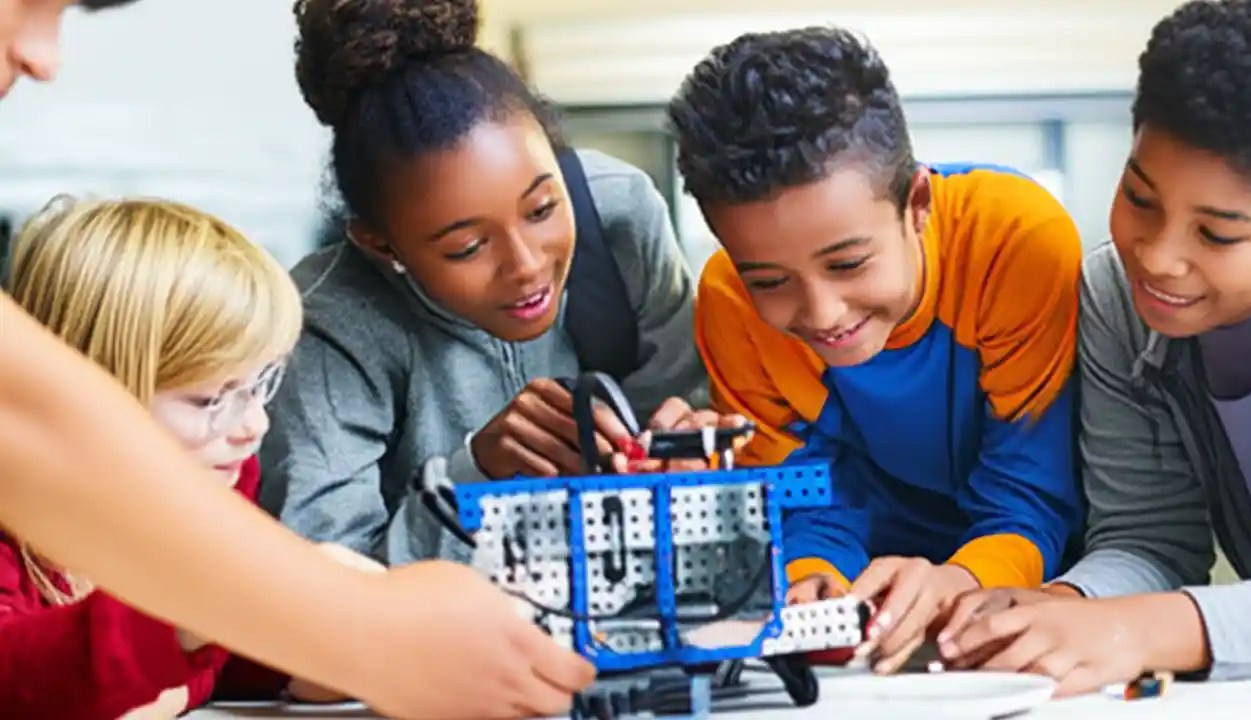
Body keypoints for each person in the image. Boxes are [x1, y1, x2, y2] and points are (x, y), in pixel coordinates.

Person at [0, 3, 595, 717]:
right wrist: (240, 605)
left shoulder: (225, 482)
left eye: (261, 387)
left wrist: (326, 632)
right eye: (207, 400)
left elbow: (244, 663)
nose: (45, 56)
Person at [667, 26, 1084, 674]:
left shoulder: (1016, 240)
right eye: (769, 281)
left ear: (916, 203)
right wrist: (811, 584)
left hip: (1030, 590)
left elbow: (1033, 495)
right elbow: (802, 495)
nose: (822, 314)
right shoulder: (728, 300)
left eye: (849, 262)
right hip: (866, 624)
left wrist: (963, 581)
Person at [260, 0, 722, 564]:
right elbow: (323, 581)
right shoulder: (328, 323)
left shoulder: (617, 217)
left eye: (543, 207)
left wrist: (686, 450)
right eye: (467, 247)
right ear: (380, 245)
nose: (527, 265)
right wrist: (472, 477)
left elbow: (681, 410)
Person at [936, 0, 1251, 695]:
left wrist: (1146, 629)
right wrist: (1068, 609)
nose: (1157, 258)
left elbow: (1157, 621)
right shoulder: (1117, 298)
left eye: (1217, 235)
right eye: (1140, 197)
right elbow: (1149, 536)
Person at [1, 196, 369, 717]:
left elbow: (212, 663)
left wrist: (314, 651)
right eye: (209, 399)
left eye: (263, 383)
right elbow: (15, 679)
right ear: (96, 391)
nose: (254, 426)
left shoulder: (215, 476)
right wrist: (209, 603)